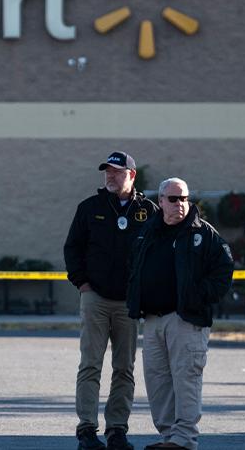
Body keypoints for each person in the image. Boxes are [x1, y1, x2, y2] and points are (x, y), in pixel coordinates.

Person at [127, 177, 234, 450]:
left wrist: (198, 297)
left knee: (186, 379)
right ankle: (169, 438)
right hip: (152, 319)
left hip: (185, 319)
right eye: (173, 199)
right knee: (158, 381)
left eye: (184, 198)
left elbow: (224, 271)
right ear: (160, 201)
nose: (180, 204)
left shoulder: (203, 233)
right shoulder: (148, 231)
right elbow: (135, 269)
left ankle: (184, 439)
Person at [64, 151, 158, 450]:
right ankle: (87, 430)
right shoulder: (90, 208)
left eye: (117, 172)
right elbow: (72, 248)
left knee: (124, 368)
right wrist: (83, 284)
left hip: (128, 303)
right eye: (107, 171)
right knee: (90, 364)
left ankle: (117, 429)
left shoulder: (149, 211)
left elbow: (157, 256)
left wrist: (145, 292)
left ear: (131, 175)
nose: (110, 176)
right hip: (95, 298)